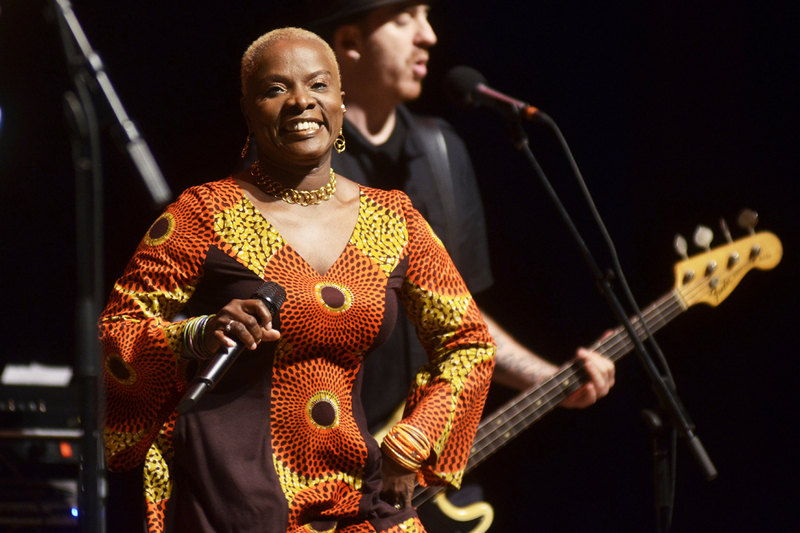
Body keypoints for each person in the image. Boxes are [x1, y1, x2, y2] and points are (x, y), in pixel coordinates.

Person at [99, 27, 495, 533]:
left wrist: (413, 442)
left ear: (340, 101)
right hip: (235, 502)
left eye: (318, 85)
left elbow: (468, 342)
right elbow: (117, 335)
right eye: (275, 89)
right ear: (248, 110)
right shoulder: (204, 213)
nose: (301, 101)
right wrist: (197, 334)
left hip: (359, 494)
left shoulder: (393, 218)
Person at [301, 0, 615, 435]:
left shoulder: (442, 153)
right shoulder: (291, 166)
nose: (428, 35)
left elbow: (456, 315)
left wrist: (547, 378)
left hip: (427, 454)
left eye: (427, 15)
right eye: (405, 18)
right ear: (350, 40)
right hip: (322, 461)